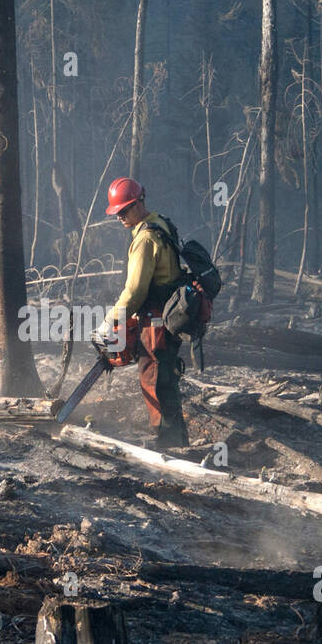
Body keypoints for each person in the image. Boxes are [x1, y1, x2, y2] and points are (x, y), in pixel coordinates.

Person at [98, 176, 189, 448]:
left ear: (139, 203)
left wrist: (110, 320)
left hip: (157, 320)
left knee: (155, 377)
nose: (120, 217)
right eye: (117, 212)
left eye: (124, 210)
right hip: (167, 315)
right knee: (164, 378)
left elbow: (135, 291)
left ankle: (169, 443)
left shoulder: (145, 239)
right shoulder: (160, 223)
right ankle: (175, 438)